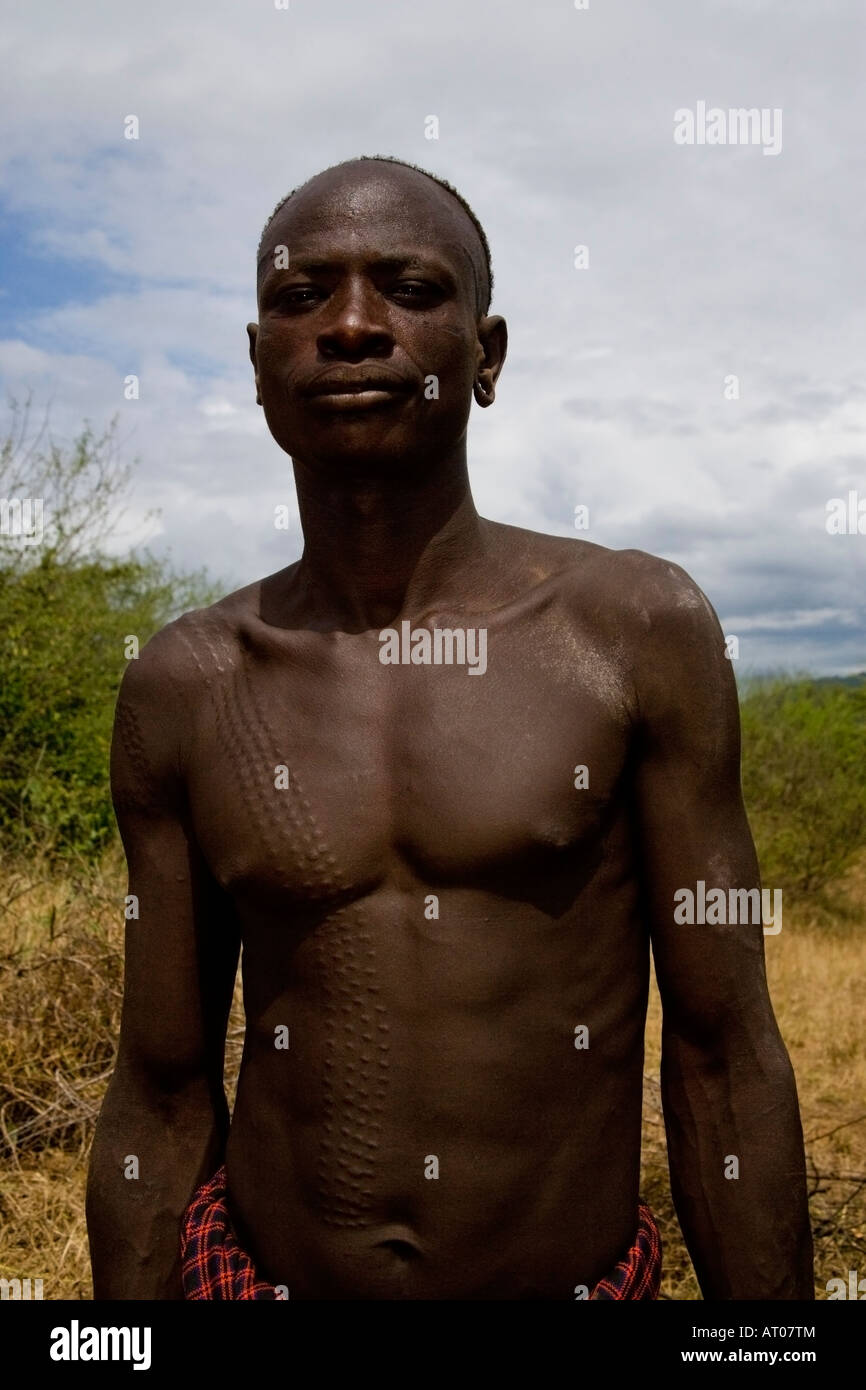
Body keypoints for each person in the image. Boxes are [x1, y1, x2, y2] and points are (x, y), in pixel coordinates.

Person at [86, 155, 813, 1300]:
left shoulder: (632, 629)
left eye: (411, 289)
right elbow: (161, 1088)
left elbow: (724, 1056)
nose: (352, 325)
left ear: (488, 355)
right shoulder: (187, 682)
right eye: (301, 295)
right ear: (257, 362)